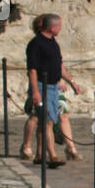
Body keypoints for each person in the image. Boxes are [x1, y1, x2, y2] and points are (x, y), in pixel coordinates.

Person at [20, 14, 80, 165]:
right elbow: (32, 70)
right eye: (59, 26)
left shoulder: (53, 43)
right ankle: (52, 155)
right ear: (52, 27)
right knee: (46, 121)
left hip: (53, 87)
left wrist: (71, 82)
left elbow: (59, 66)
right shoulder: (36, 44)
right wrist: (35, 91)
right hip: (41, 86)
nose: (60, 29)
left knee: (46, 121)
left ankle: (40, 154)